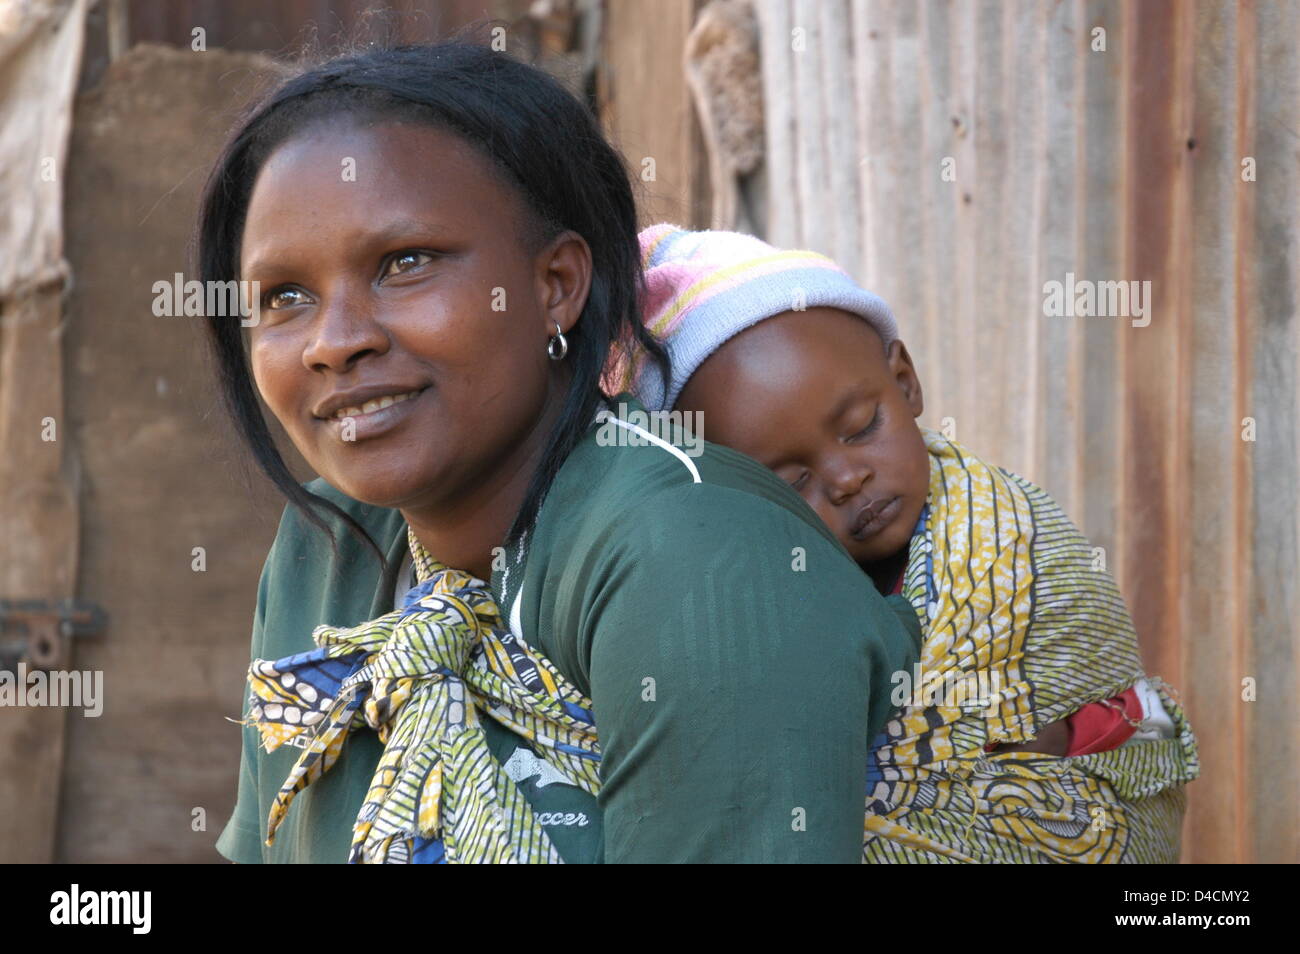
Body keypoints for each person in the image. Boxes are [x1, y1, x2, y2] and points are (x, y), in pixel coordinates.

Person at [200, 41, 921, 864]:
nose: (334, 343)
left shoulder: (688, 554)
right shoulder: (326, 548)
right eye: (285, 297)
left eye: (405, 264)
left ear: (556, 286)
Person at [607, 223, 1201, 862]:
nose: (846, 478)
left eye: (861, 427)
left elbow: (1103, 705)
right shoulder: (748, 605)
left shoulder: (1011, 534)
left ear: (906, 381)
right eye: (791, 480)